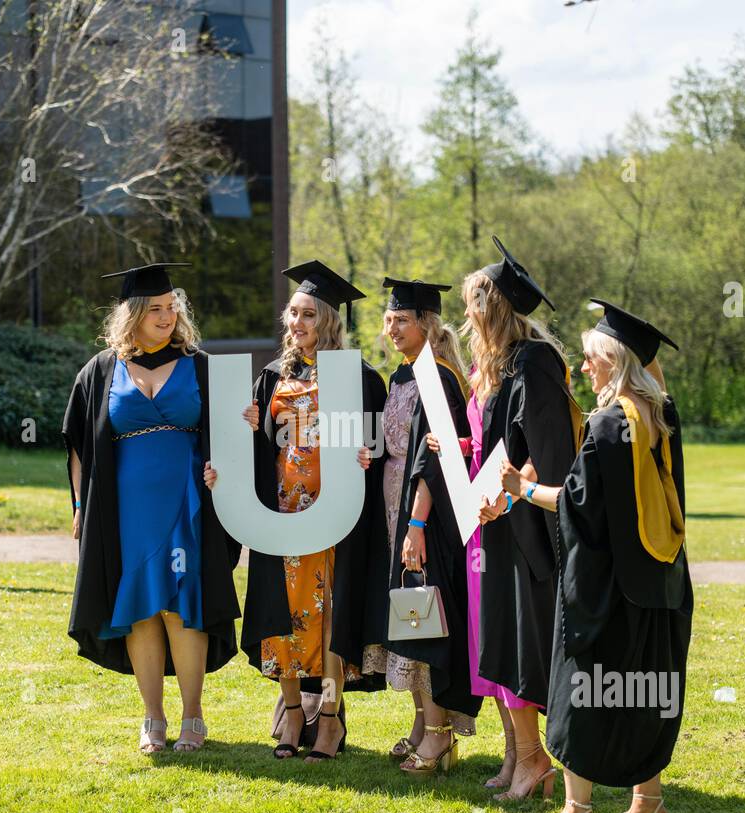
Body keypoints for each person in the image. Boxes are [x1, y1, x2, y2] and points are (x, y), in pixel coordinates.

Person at [501, 299, 691, 813]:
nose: (583, 369)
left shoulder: (608, 423)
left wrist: (523, 489)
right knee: (644, 687)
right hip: (660, 579)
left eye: (591, 359)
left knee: (581, 690)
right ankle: (647, 804)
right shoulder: (662, 416)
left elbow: (576, 503)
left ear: (614, 360)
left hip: (604, 587)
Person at [63, 262, 241, 754]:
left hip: (188, 503)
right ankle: (152, 719)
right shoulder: (100, 370)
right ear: (133, 314)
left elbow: (233, 434)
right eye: (156, 309)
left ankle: (193, 717)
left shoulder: (200, 365)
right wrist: (80, 505)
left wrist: (229, 449)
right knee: (141, 609)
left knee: (183, 607)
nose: (167, 317)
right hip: (125, 508)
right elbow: (80, 444)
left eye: (172, 308)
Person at [429, 236, 583, 799]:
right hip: (483, 521)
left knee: (516, 642)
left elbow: (547, 449)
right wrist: (459, 444)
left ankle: (533, 759)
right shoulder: (489, 364)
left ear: (490, 305)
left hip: (517, 529)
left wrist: (512, 496)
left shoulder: (534, 361)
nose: (465, 312)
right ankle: (515, 756)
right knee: (491, 642)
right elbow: (497, 438)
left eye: (472, 300)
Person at [229, 260, 386, 763]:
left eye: (308, 316)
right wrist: (250, 425)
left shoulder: (359, 377)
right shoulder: (275, 375)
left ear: (329, 322)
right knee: (286, 610)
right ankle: (293, 709)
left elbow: (378, 444)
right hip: (283, 513)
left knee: (332, 612)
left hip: (339, 515)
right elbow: (259, 446)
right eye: (293, 315)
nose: (297, 325)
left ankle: (332, 717)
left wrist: (369, 452)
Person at [360, 277, 481, 775]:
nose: (392, 328)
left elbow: (436, 460)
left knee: (426, 619)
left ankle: (439, 738)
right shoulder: (402, 376)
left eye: (402, 320)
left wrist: (416, 524)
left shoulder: (441, 379)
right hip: (397, 512)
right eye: (388, 320)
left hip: (425, 518)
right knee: (412, 615)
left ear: (427, 324)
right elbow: (401, 447)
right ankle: (420, 726)